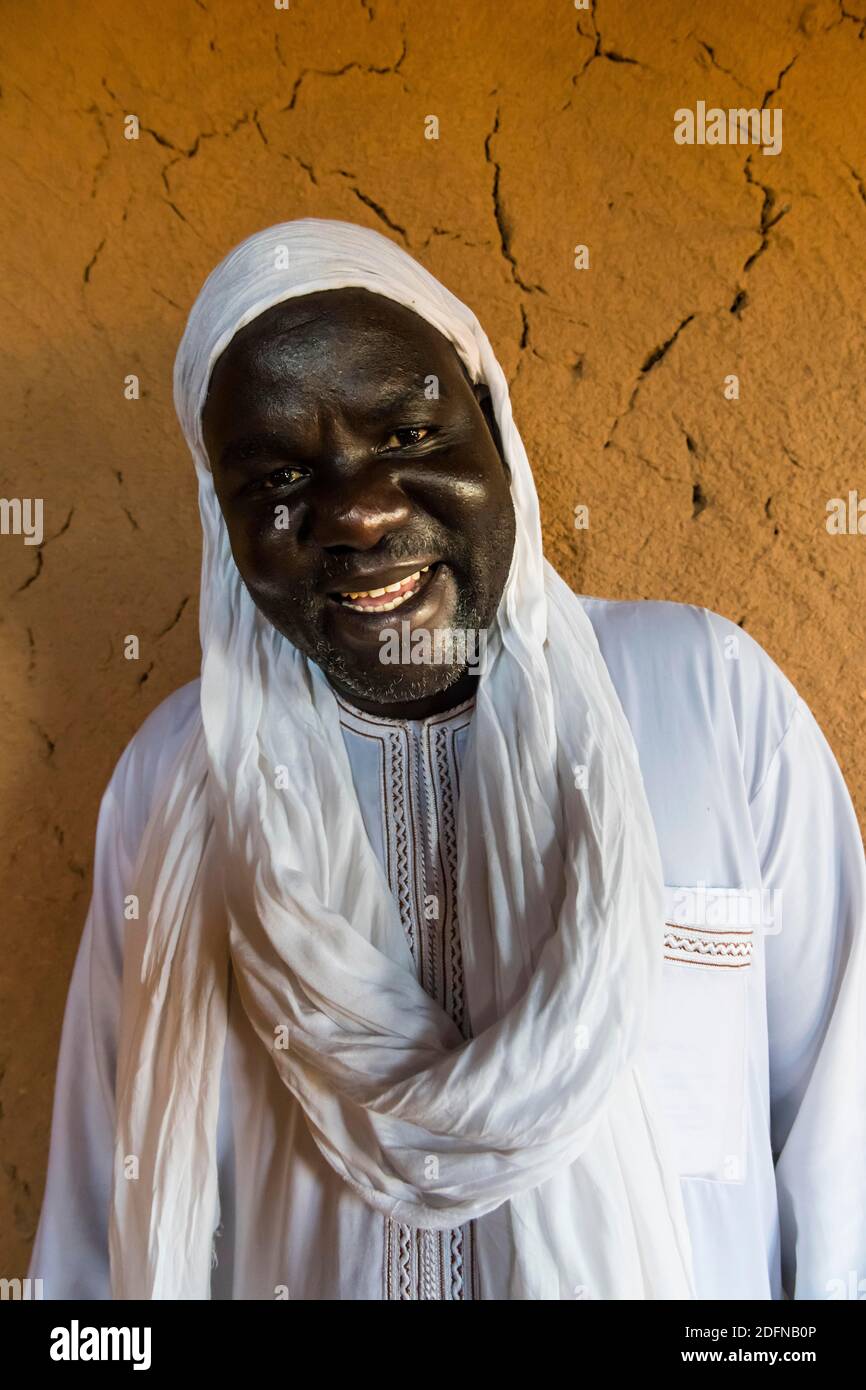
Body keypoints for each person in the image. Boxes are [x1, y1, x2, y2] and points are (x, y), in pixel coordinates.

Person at [29, 219, 866, 1301]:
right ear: (222, 522)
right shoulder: (174, 785)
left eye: (410, 436)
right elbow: (100, 1221)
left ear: (492, 424)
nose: (359, 515)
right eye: (279, 478)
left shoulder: (707, 699)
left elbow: (841, 1162)